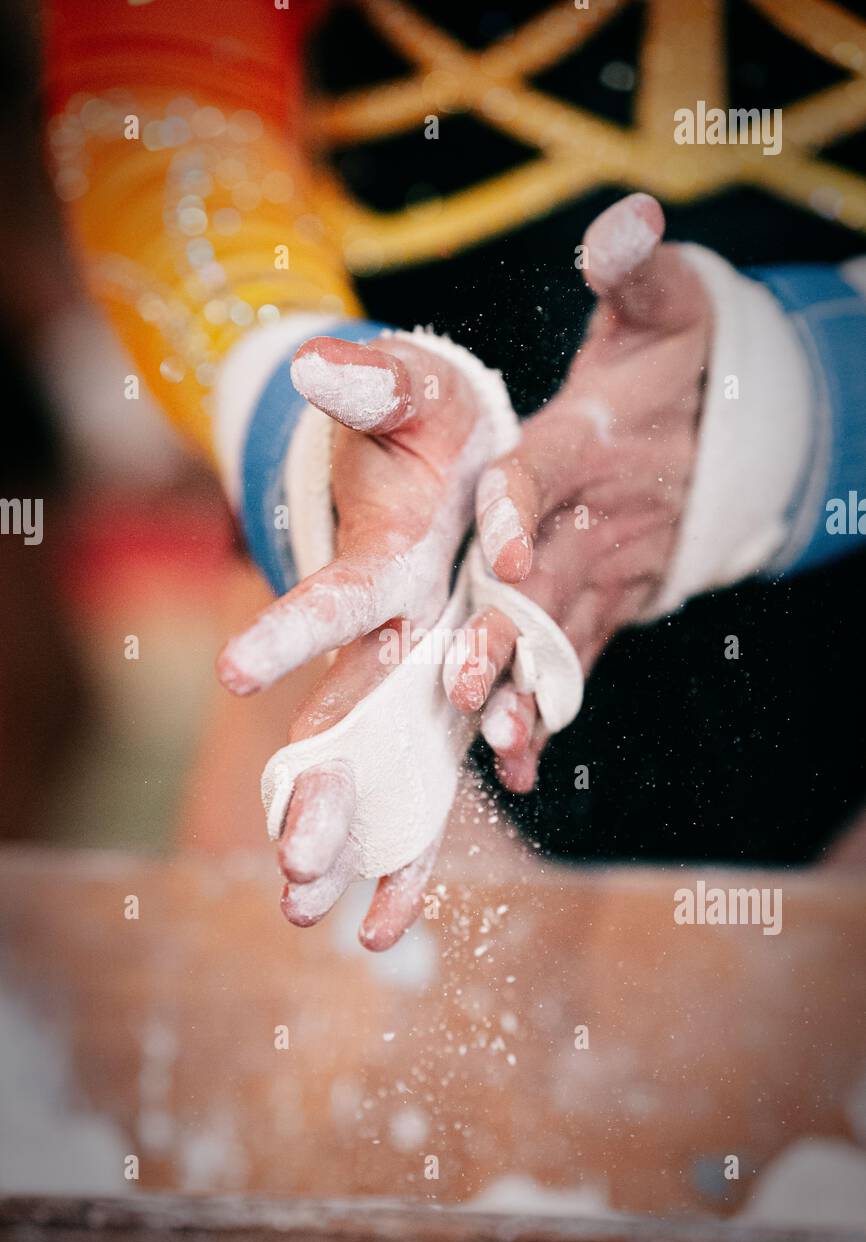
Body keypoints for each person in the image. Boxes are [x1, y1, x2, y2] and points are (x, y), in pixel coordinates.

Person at [44, 0, 866, 948]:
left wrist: (810, 403)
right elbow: (156, 59)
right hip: (375, 543)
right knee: (287, 1076)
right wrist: (298, 415)